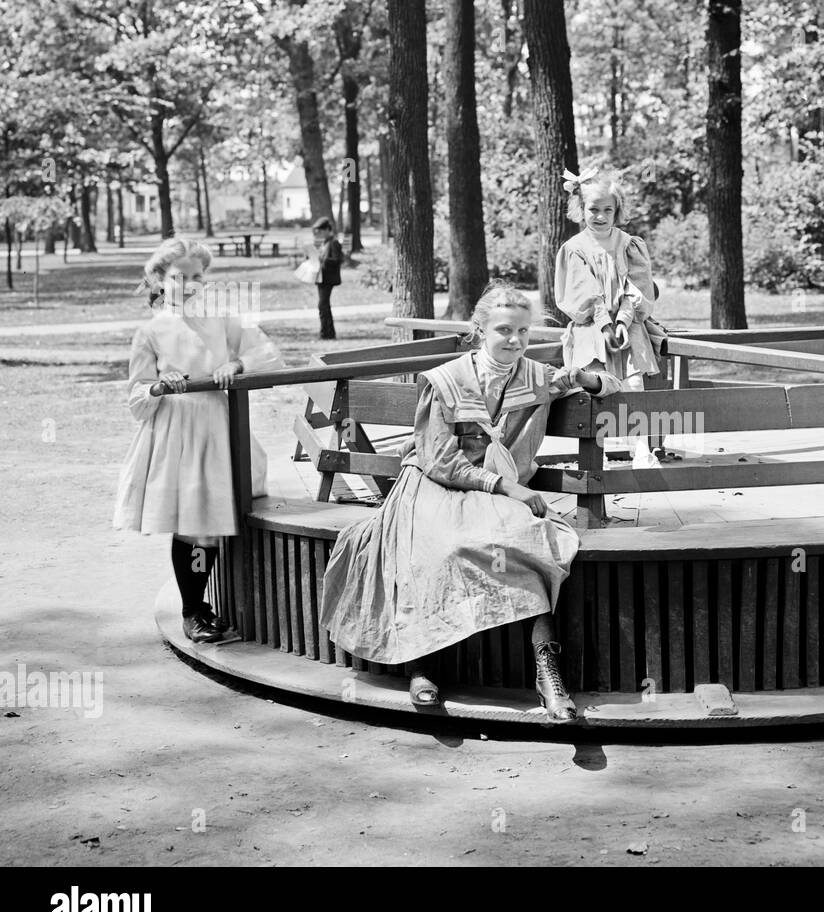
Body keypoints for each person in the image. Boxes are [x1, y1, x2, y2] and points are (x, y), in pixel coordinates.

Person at [318, 283, 621, 720]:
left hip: (498, 491)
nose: (515, 340)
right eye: (503, 330)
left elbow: (607, 384)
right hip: (434, 485)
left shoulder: (535, 376)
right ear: (479, 330)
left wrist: (579, 377)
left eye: (523, 331)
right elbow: (438, 460)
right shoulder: (445, 381)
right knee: (435, 547)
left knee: (529, 539)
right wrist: (508, 487)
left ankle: (547, 671)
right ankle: (423, 668)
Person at [114, 237, 284, 642]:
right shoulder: (151, 331)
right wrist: (159, 387)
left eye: (197, 276)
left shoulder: (222, 319)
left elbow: (268, 354)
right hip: (177, 432)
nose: (190, 284)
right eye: (179, 276)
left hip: (216, 425)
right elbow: (137, 399)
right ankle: (192, 610)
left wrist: (236, 363)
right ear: (159, 279)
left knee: (211, 518)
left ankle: (203, 607)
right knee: (191, 520)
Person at [554, 168, 667, 467]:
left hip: (628, 327)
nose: (600, 216)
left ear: (618, 210)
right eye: (593, 209)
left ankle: (641, 449)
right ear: (581, 209)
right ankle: (596, 451)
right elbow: (584, 291)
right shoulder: (575, 249)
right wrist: (605, 323)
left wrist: (623, 321)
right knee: (594, 387)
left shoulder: (628, 244)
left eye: (608, 210)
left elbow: (638, 288)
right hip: (591, 328)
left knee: (633, 386)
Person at [310, 217, 344, 339]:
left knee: (323, 305)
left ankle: (327, 333)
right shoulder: (325, 243)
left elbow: (337, 260)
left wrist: (321, 259)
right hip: (321, 278)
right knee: (323, 306)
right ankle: (327, 332)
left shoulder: (334, 243)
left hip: (328, 279)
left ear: (327, 230)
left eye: (321, 231)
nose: (319, 234)